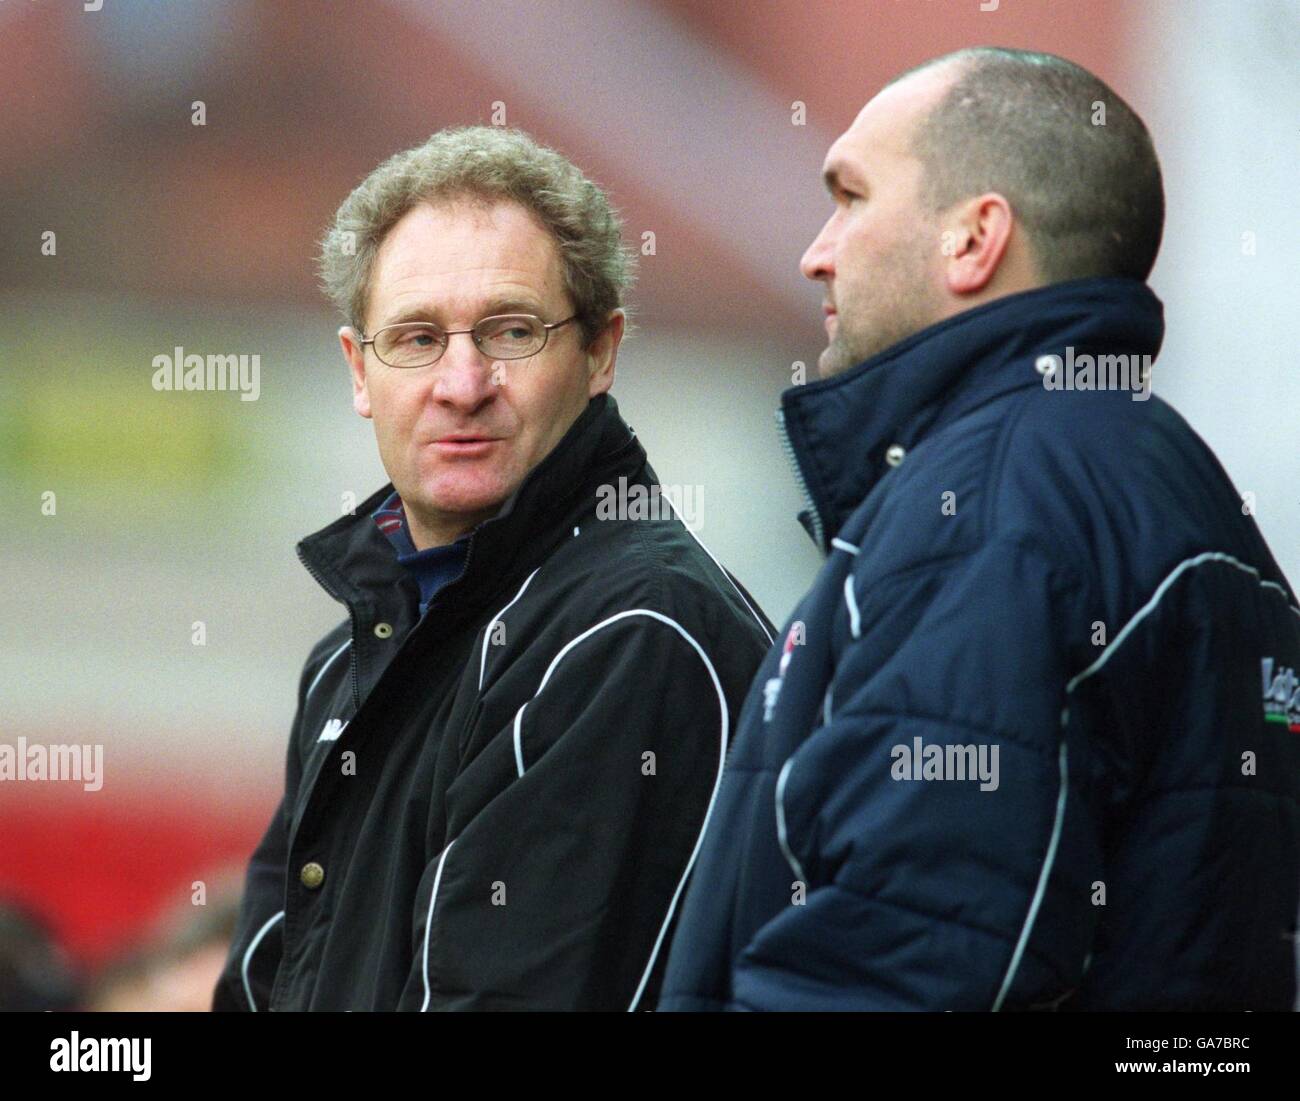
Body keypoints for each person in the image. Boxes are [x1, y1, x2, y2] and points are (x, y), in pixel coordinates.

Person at [659, 47, 1300, 1011]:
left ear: (973, 239)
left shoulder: (992, 511)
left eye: (852, 196)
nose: (816, 250)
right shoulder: (1178, 487)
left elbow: (904, 965)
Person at [212, 126, 772, 1011]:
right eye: (418, 337)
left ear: (600, 351)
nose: (462, 382)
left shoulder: (634, 632)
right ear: (361, 372)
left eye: (510, 331)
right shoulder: (345, 662)